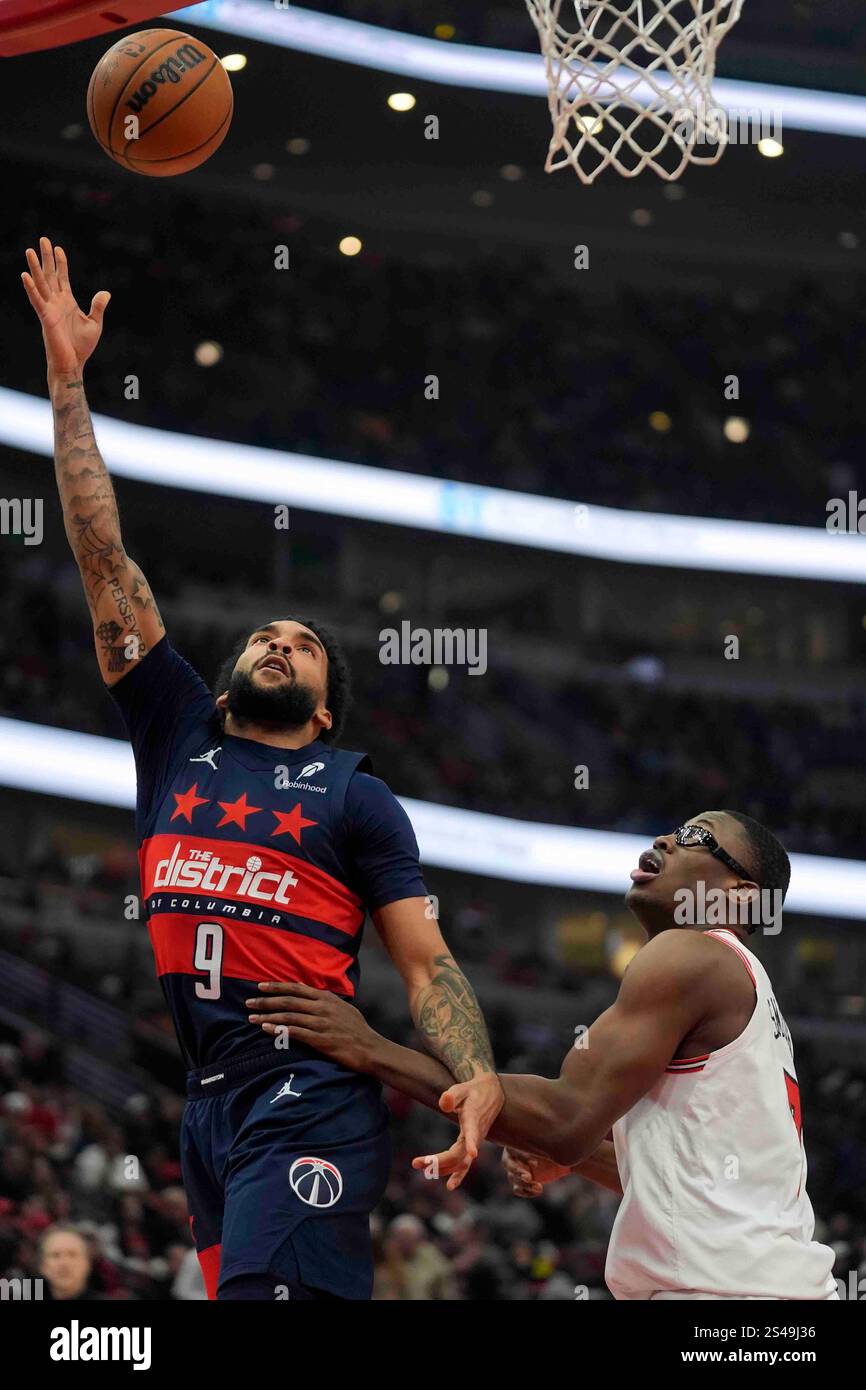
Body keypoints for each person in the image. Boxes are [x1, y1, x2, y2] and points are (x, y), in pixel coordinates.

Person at [21, 238, 502, 1301]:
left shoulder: (354, 793)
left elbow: (425, 967)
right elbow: (105, 556)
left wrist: (472, 1079)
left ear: (323, 705)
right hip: (203, 1100)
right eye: (264, 635)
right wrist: (67, 382)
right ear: (232, 672)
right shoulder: (177, 727)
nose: (279, 641)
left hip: (310, 1089)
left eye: (305, 644)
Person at [251, 811, 839, 1300]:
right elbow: (694, 1181)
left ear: (737, 895)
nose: (664, 839)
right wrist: (578, 1158)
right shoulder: (751, 997)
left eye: (694, 837)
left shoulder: (692, 954)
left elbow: (563, 1120)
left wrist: (371, 1050)